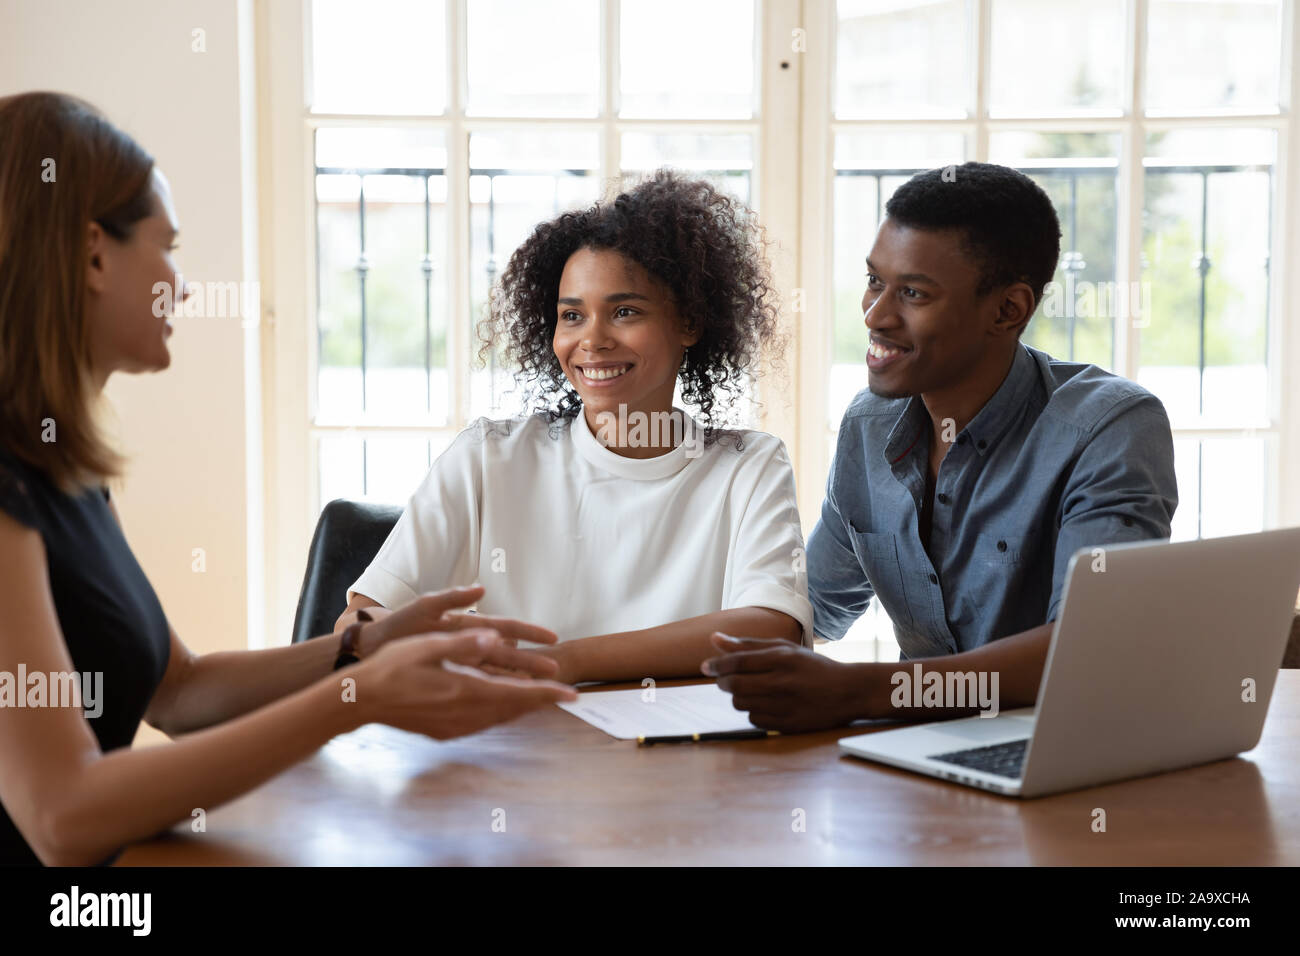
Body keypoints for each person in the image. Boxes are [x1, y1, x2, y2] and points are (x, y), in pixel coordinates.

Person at [0, 91, 577, 867]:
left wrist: (363, 650)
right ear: (93, 255)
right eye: (167, 246)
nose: (186, 284)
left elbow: (180, 691)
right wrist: (355, 700)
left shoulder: (58, 471)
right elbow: (61, 816)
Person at [703, 162, 1178, 731]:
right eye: (875, 281)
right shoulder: (870, 424)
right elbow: (813, 606)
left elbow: (1088, 649)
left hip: (1060, 750)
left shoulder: (1110, 426)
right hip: (915, 755)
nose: (875, 315)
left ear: (1008, 310)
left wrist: (861, 690)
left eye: (912, 293)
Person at [338, 170, 813, 683]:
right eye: (571, 316)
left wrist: (558, 661)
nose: (592, 340)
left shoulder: (749, 466)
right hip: (523, 741)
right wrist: (423, 640)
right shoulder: (489, 456)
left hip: (681, 752)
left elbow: (772, 627)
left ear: (690, 324)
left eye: (625, 311)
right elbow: (361, 619)